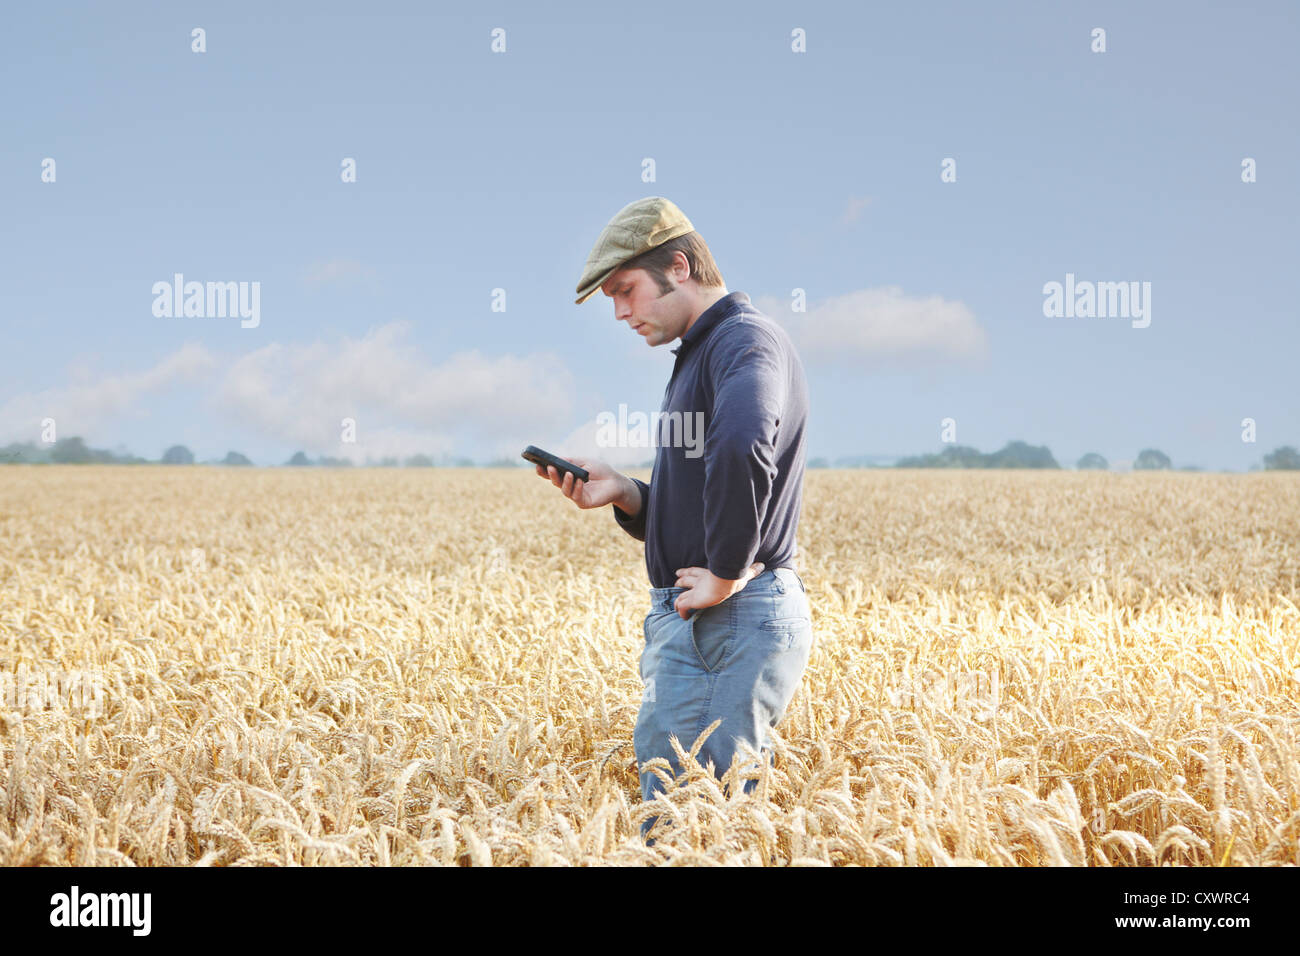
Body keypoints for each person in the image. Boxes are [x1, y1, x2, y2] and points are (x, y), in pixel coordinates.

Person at [535, 196, 812, 843]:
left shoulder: (742, 341)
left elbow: (745, 443)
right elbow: (706, 489)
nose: (620, 312)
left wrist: (726, 568)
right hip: (712, 620)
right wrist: (628, 492)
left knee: (693, 830)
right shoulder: (706, 352)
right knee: (680, 822)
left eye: (626, 291)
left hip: (727, 620)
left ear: (679, 267)